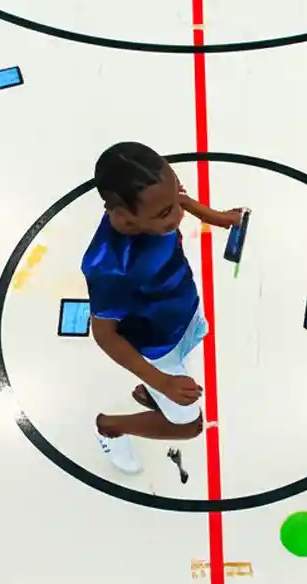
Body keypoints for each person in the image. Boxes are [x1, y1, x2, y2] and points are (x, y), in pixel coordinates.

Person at [82, 142, 243, 473]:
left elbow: (177, 199)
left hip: (184, 313)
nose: (178, 215)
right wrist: (162, 380)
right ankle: (111, 427)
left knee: (192, 347)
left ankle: (152, 395)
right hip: (157, 349)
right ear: (124, 220)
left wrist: (216, 217)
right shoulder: (110, 266)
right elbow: (105, 336)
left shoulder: (156, 201)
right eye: (165, 214)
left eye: (173, 204)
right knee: (189, 426)